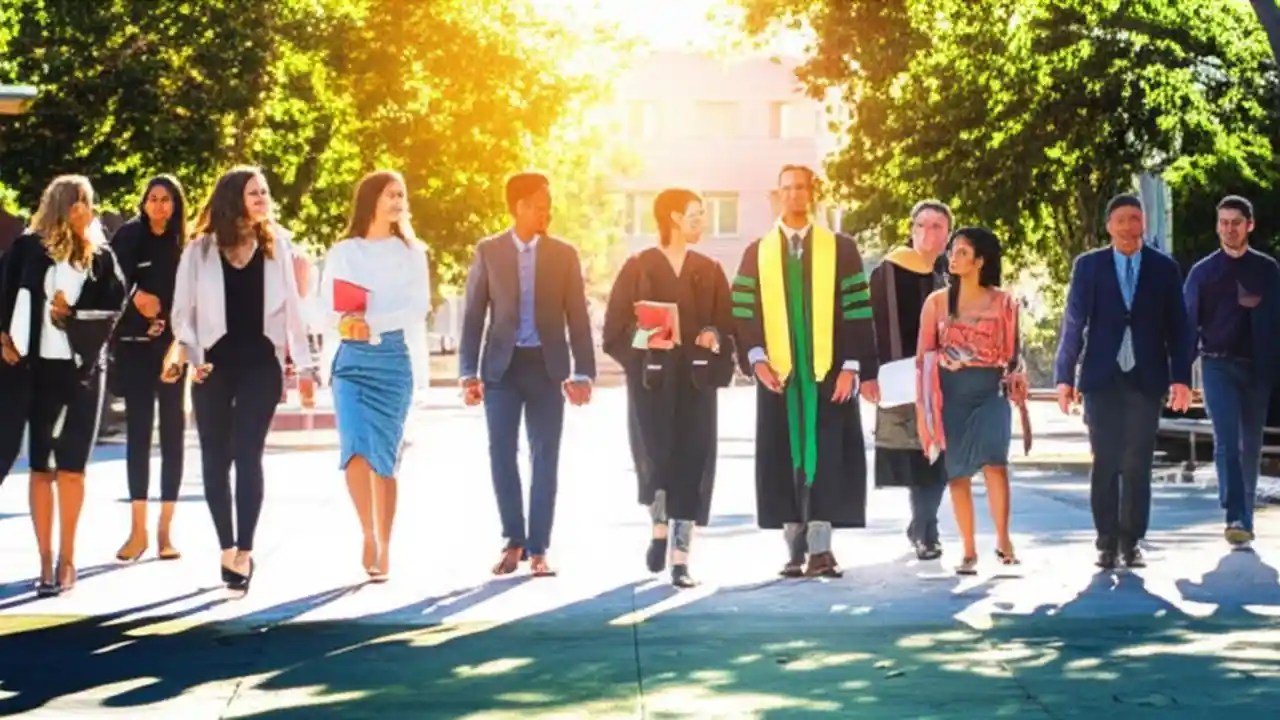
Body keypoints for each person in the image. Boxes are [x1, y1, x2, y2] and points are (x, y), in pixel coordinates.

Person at [168, 166, 313, 593]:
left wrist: (304, 367)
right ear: (234, 198)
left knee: (248, 453)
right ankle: (225, 547)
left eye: (265, 192)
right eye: (254, 192)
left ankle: (246, 551)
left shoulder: (279, 247)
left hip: (261, 364)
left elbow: (294, 312)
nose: (263, 198)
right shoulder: (199, 251)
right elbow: (182, 312)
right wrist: (194, 357)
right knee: (216, 457)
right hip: (213, 364)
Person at [732, 164, 880, 579]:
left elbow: (857, 311)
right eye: (786, 189)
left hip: (827, 376)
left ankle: (821, 549)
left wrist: (853, 366)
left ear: (811, 193)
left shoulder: (840, 248)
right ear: (777, 196)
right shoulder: (757, 252)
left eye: (801, 187)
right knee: (784, 460)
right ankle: (793, 550)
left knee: (827, 459)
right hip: (780, 378)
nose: (794, 195)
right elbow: (743, 312)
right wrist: (757, 359)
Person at [459, 172, 595, 577]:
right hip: (501, 369)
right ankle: (513, 540)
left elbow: (579, 319)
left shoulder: (563, 254)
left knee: (545, 456)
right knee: (501, 452)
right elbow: (472, 316)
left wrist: (584, 372)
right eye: (538, 204)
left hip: (547, 368)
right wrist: (468, 373)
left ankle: (539, 548)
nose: (545, 211)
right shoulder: (488, 251)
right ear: (519, 206)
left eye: (547, 204)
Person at [602, 188, 736, 588]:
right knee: (656, 461)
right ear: (673, 217)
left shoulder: (710, 270)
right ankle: (658, 527)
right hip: (653, 383)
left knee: (692, 464)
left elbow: (724, 324)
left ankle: (680, 559)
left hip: (695, 383)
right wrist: (651, 337)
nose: (702, 221)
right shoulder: (638, 268)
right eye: (695, 214)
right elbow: (613, 332)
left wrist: (713, 337)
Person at [0, 175, 126, 596]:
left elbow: (114, 305)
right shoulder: (27, 249)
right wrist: (4, 337)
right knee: (41, 466)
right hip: (36, 371)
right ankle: (43, 563)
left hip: (83, 373)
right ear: (57, 205)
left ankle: (67, 558)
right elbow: (4, 297)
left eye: (87, 203)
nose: (82, 210)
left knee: (72, 469)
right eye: (74, 203)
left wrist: (71, 313)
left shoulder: (100, 256)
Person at [1054, 193, 1192, 569]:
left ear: (1143, 222)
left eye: (1135, 218)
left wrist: (1182, 377)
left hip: (1146, 378)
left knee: (1137, 463)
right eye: (1121, 220)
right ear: (1109, 226)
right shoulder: (1090, 266)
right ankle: (1105, 540)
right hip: (1102, 377)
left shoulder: (1163, 268)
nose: (1129, 227)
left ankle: (1131, 541)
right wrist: (1064, 377)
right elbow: (1074, 324)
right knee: (1106, 461)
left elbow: (1179, 328)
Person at [321, 170, 430, 581]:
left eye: (402, 194)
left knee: (384, 458)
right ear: (371, 200)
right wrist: (347, 322)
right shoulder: (344, 251)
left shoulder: (413, 253)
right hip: (351, 361)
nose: (399, 200)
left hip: (392, 361)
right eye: (390, 194)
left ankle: (385, 545)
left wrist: (375, 323)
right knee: (355, 449)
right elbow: (326, 305)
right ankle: (367, 533)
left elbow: (418, 308)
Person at [916, 228, 1028, 574]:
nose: (953, 256)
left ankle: (1003, 538)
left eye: (962, 252)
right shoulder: (936, 302)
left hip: (990, 390)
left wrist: (1018, 376)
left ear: (980, 261)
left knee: (996, 463)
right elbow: (923, 357)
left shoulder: (1005, 302)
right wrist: (924, 411)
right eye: (953, 251)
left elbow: (1013, 354)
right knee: (957, 473)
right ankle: (968, 550)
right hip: (950, 393)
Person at [1184, 195, 1280, 550]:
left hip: (1257, 369)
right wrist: (1179, 376)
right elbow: (1187, 326)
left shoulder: (1267, 270)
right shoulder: (1203, 273)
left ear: (1249, 225)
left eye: (1235, 223)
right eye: (1223, 222)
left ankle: (1246, 519)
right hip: (1217, 364)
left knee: (1250, 446)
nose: (1228, 229)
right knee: (1227, 440)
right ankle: (1234, 515)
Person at [109, 174, 189, 562]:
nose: (158, 205)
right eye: (152, 198)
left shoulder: (184, 245)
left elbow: (192, 298)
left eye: (166, 199)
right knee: (138, 433)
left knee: (173, 432)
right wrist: (137, 297)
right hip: (135, 349)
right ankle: (136, 529)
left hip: (174, 350)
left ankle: (165, 530)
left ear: (176, 205)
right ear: (143, 203)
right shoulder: (127, 237)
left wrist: (176, 333)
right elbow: (109, 279)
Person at [870, 200, 951, 561]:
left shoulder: (957, 270)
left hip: (949, 377)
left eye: (938, 226)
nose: (929, 233)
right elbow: (868, 326)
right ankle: (925, 529)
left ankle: (924, 527)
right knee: (917, 453)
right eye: (923, 225)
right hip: (903, 375)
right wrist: (870, 373)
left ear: (948, 233)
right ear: (911, 229)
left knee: (940, 454)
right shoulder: (888, 271)